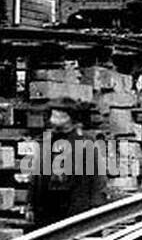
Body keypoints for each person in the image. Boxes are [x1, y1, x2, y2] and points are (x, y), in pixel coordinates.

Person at [29, 96, 111, 230]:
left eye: (60, 115)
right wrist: (30, 204)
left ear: (71, 118)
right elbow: (36, 176)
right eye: (53, 114)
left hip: (77, 206)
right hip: (48, 207)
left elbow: (98, 178)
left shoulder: (85, 143)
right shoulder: (46, 142)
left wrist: (97, 208)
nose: (55, 118)